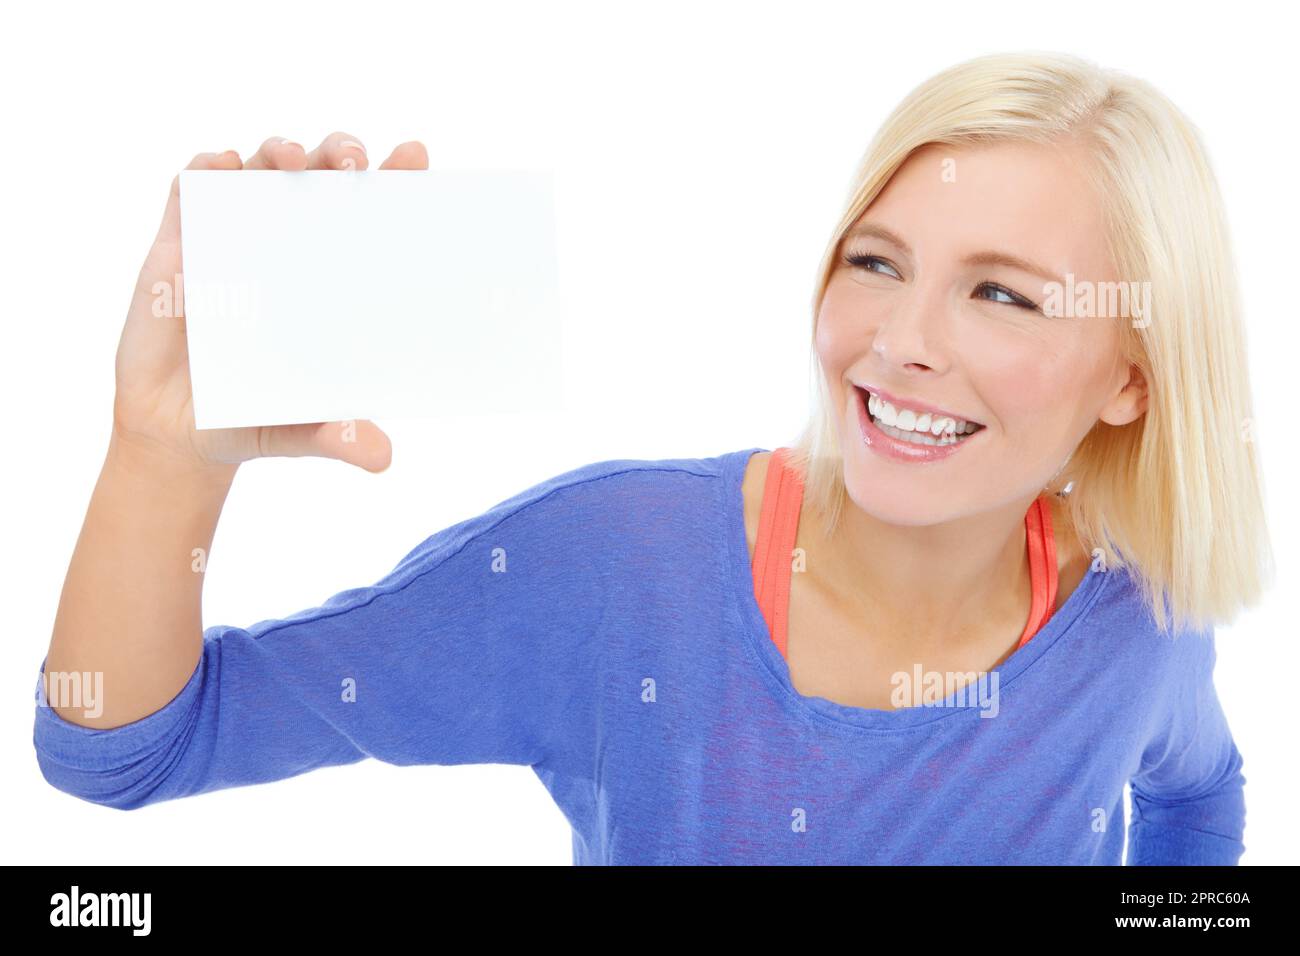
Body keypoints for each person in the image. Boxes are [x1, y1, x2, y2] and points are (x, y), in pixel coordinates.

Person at [33, 51, 1272, 865]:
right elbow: (124, 748)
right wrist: (160, 457)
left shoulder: (1137, 623)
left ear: (1131, 378)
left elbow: (1197, 800)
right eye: (876, 261)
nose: (898, 343)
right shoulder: (617, 569)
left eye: (1000, 293)